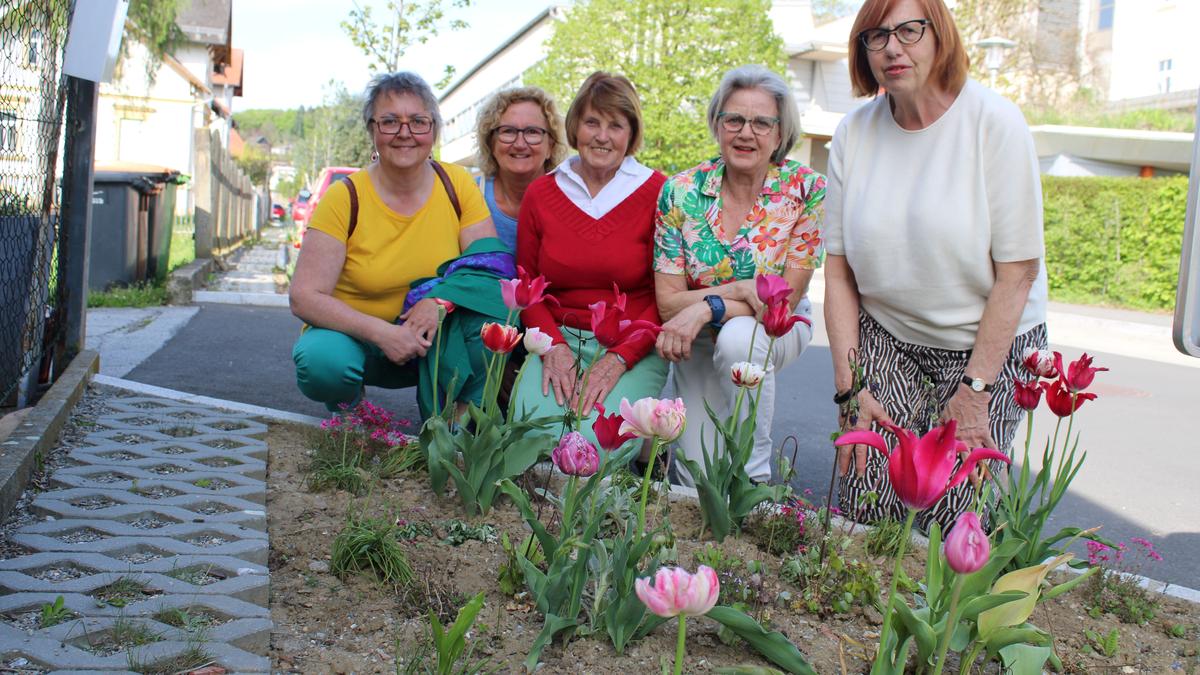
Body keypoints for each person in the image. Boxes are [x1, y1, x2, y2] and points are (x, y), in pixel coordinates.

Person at [825, 0, 1048, 531]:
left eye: (908, 30)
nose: (892, 48)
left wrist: (974, 395)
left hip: (983, 348)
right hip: (887, 338)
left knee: (953, 521)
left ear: (939, 35)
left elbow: (1018, 273)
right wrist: (850, 389)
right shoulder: (853, 133)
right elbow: (838, 273)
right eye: (876, 36)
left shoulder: (994, 122)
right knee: (870, 506)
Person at [290, 72, 505, 418]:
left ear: (433, 130)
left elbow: (489, 265)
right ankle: (350, 412)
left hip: (433, 336)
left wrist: (438, 301)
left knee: (493, 322)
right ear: (373, 130)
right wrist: (383, 333)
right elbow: (304, 296)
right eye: (390, 121)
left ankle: (452, 427)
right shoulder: (345, 197)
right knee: (322, 361)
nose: (405, 133)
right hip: (358, 339)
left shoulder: (457, 184)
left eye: (418, 121)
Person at [654, 65, 825, 486]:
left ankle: (754, 482)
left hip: (775, 330)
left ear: (780, 132)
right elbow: (668, 303)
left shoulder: (807, 189)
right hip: (697, 337)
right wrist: (734, 291)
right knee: (695, 476)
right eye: (734, 119)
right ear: (717, 125)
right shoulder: (680, 192)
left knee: (739, 339)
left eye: (761, 122)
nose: (746, 133)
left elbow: (778, 304)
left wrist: (708, 305)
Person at [513, 72, 669, 447]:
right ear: (574, 127)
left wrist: (618, 359)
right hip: (557, 336)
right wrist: (553, 347)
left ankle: (645, 453)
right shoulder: (542, 192)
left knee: (592, 442)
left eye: (616, 125)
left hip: (630, 344)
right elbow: (527, 285)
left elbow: (666, 293)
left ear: (631, 133)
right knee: (528, 436)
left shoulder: (660, 191)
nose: (602, 136)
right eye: (592, 122)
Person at [473, 87, 567, 252]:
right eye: (508, 131)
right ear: (490, 143)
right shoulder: (470, 196)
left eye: (532, 132)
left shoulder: (572, 198)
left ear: (550, 146)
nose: (520, 144)